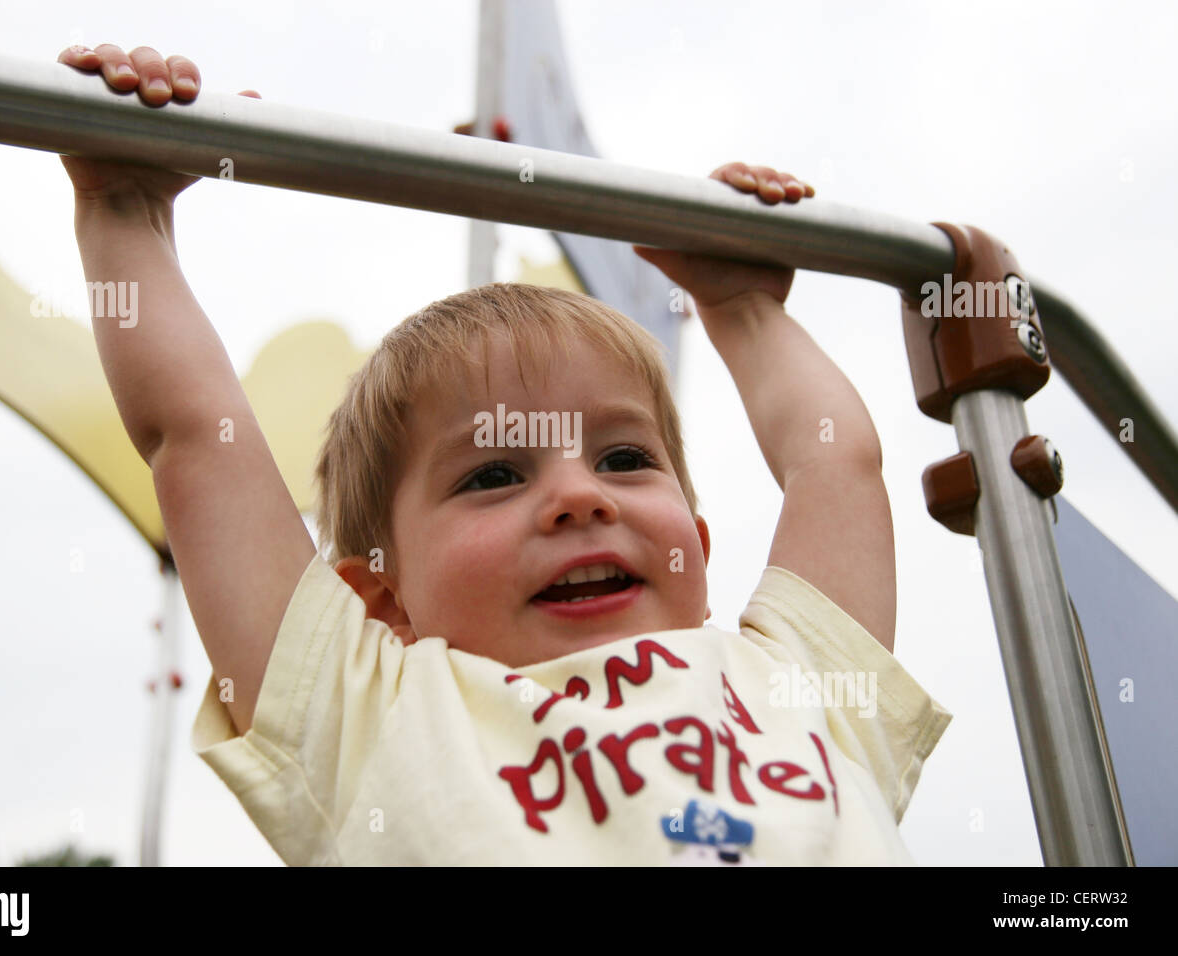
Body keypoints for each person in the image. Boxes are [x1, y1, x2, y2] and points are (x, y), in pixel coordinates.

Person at [57, 42, 950, 865]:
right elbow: (196, 437)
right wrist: (123, 214)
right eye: (493, 474)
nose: (579, 498)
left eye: (625, 459)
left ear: (700, 548)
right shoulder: (372, 716)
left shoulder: (792, 682)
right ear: (381, 598)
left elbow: (835, 464)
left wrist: (748, 310)